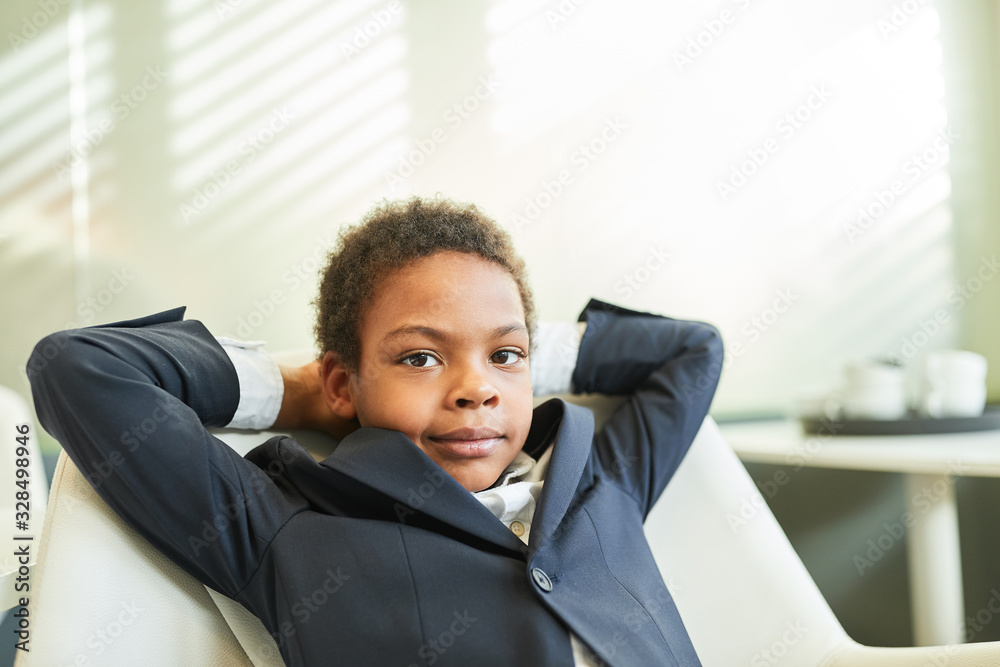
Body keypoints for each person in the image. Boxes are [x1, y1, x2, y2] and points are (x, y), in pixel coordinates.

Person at [27, 196, 724, 666]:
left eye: (504, 357)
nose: (476, 387)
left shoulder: (605, 479)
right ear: (341, 382)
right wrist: (295, 391)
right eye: (420, 356)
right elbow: (76, 366)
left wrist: (507, 340)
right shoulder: (288, 526)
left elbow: (692, 349)